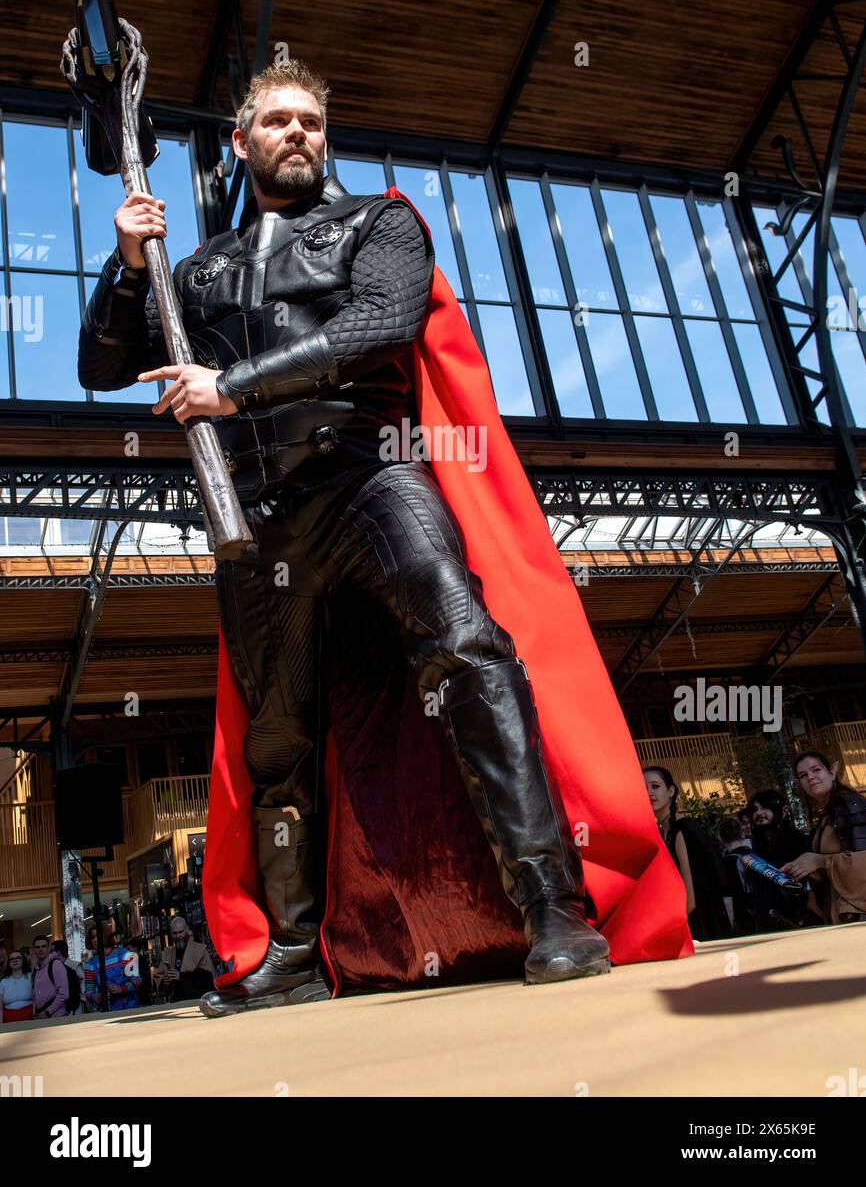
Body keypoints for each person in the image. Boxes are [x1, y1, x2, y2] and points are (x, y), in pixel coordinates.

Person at [78, 59, 689, 1016]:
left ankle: (552, 907)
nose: (297, 133)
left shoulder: (381, 222)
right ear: (240, 143)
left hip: (374, 475)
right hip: (262, 517)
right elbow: (101, 365)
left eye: (311, 121)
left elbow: (381, 322)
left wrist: (230, 387)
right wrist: (124, 266)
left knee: (468, 648)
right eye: (276, 120)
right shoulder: (192, 272)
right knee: (277, 738)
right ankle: (290, 948)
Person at [644, 768, 731, 941]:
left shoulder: (683, 829)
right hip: (688, 923)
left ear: (670, 791)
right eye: (644, 788)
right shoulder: (666, 832)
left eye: (655, 786)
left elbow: (690, 899)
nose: (649, 793)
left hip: (699, 926)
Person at [783, 752, 866, 924]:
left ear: (832, 772)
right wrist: (800, 868)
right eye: (803, 775)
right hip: (841, 910)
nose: (811, 777)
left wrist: (820, 861)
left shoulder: (850, 805)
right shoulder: (829, 811)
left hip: (857, 913)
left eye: (816, 770)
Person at [746, 788, 809, 931]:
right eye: (755, 810)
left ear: (783, 810)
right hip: (766, 922)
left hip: (795, 920)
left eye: (766, 807)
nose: (759, 813)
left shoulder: (799, 842)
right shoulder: (756, 850)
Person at [82, 923, 142, 1012]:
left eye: (97, 936)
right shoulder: (90, 965)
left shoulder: (125, 954)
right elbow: (88, 993)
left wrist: (121, 989)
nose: (95, 940)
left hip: (131, 1009)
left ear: (106, 936)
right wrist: (99, 997)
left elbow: (137, 981)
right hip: (107, 1012)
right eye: (92, 937)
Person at [153, 918, 215, 1003]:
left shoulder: (200, 949)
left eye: (180, 932)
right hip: (176, 1001)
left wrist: (181, 977)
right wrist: (165, 981)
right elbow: (158, 979)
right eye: (174, 933)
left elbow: (208, 978)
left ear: (186, 930)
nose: (178, 936)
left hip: (197, 1000)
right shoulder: (167, 953)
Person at [718, 815, 755, 935]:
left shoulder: (725, 863)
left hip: (742, 917)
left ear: (721, 838)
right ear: (741, 833)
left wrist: (730, 929)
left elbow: (727, 898)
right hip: (760, 913)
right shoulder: (754, 855)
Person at [31, 935, 69, 1019]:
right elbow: (34, 994)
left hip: (56, 1017)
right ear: (34, 950)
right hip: (41, 1017)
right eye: (37, 947)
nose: (40, 949)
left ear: (49, 948)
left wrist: (48, 1012)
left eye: (43, 946)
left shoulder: (56, 964)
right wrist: (34, 1011)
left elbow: (64, 994)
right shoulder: (36, 969)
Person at [52, 939, 84, 1016]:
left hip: (75, 1007)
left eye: (51, 951)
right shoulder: (53, 968)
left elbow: (83, 985)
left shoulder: (75, 966)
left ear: (58, 952)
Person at [0, 950, 33, 1023]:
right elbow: (0, 1008)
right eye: (12, 959)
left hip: (30, 1018)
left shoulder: (31, 977)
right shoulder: (3, 982)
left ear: (23, 960)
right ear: (9, 963)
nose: (15, 960)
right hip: (9, 1020)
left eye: (18, 957)